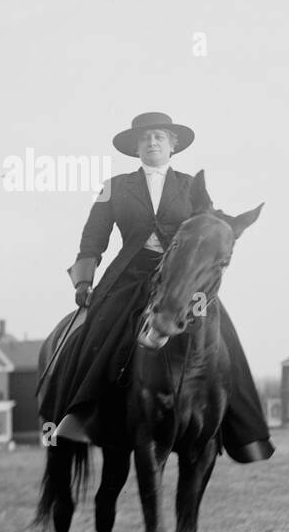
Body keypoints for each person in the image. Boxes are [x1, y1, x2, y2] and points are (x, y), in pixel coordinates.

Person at [38, 112, 274, 462]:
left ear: (172, 145)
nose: (152, 143)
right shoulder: (113, 188)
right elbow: (93, 237)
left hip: (181, 278)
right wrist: (84, 279)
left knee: (225, 336)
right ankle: (81, 415)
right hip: (129, 275)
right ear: (136, 147)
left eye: (159, 137)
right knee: (100, 328)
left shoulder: (190, 184)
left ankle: (241, 428)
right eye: (145, 138)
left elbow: (206, 224)